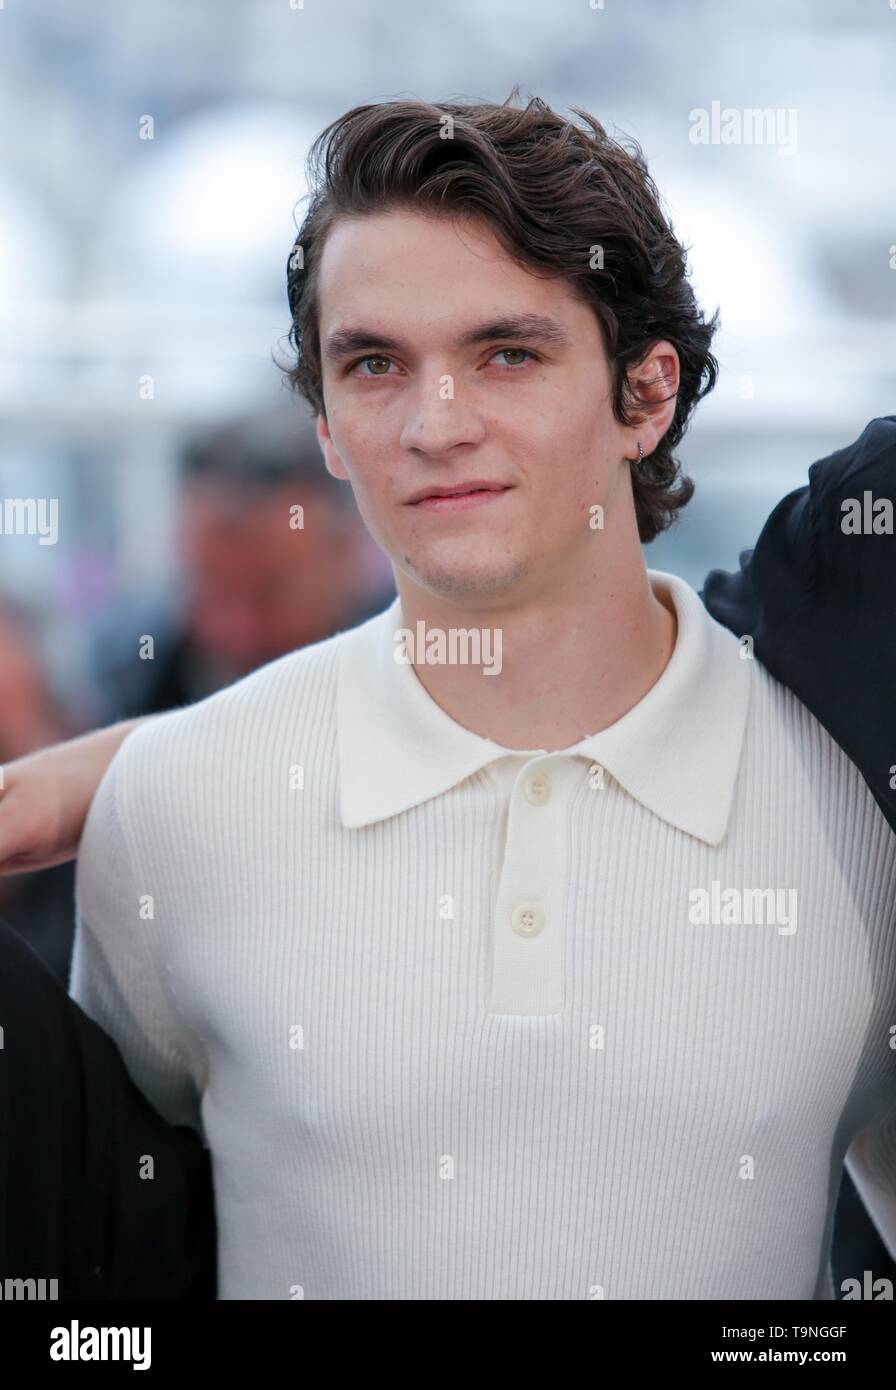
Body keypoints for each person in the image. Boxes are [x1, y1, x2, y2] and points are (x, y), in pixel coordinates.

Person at [1, 93, 894, 1300]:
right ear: (323, 423)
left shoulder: (847, 806)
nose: (435, 423)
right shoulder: (173, 807)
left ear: (646, 396)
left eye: (505, 354)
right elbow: (117, 1255)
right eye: (373, 364)